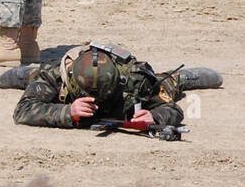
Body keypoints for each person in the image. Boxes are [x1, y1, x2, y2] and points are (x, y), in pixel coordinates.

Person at [11, 43, 194, 130]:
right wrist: (67, 112)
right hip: (53, 80)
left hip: (128, 90)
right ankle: (28, 75)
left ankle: (180, 78)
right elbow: (23, 110)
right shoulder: (57, 74)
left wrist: (154, 116)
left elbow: (172, 109)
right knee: (35, 79)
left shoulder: (134, 80)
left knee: (168, 82)